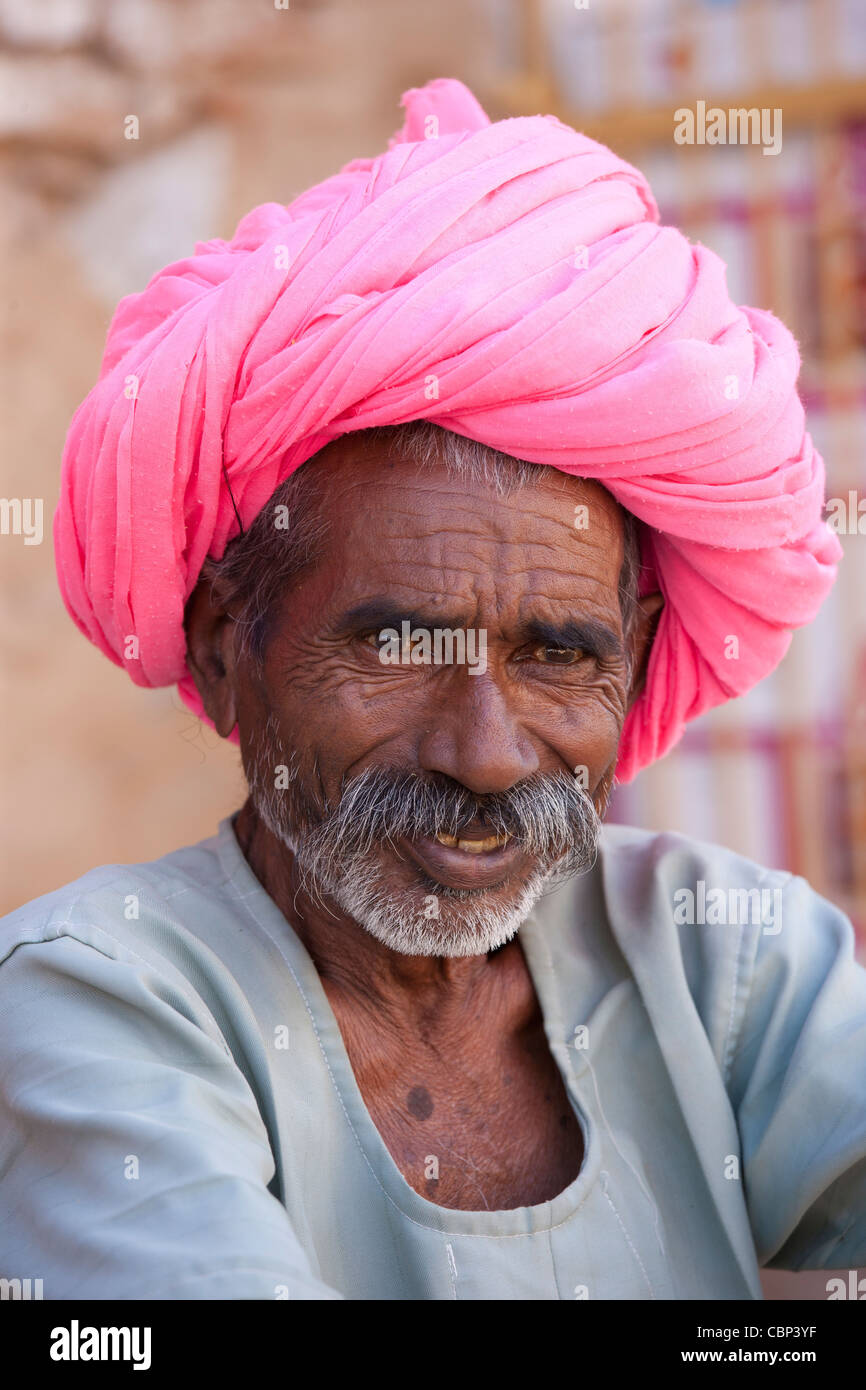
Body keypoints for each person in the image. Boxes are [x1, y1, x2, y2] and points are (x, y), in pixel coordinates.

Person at [1, 79, 862, 1301]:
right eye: (396, 646)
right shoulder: (98, 994)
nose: (489, 753)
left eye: (558, 654)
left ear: (637, 644)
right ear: (219, 647)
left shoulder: (723, 956)